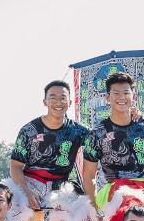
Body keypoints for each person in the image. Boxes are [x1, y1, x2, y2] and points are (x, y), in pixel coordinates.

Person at [80, 71, 144, 221]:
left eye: (126, 92)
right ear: (107, 97)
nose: (122, 97)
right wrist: (94, 209)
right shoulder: (96, 134)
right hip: (117, 193)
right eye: (116, 93)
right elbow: (88, 176)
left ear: (133, 95)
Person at [9, 80, 90, 210]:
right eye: (53, 97)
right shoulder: (29, 130)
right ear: (45, 102)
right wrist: (26, 192)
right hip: (29, 185)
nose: (58, 102)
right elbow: (15, 166)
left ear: (69, 103)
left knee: (80, 219)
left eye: (63, 98)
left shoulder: (78, 131)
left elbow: (104, 139)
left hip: (60, 189)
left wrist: (130, 116)